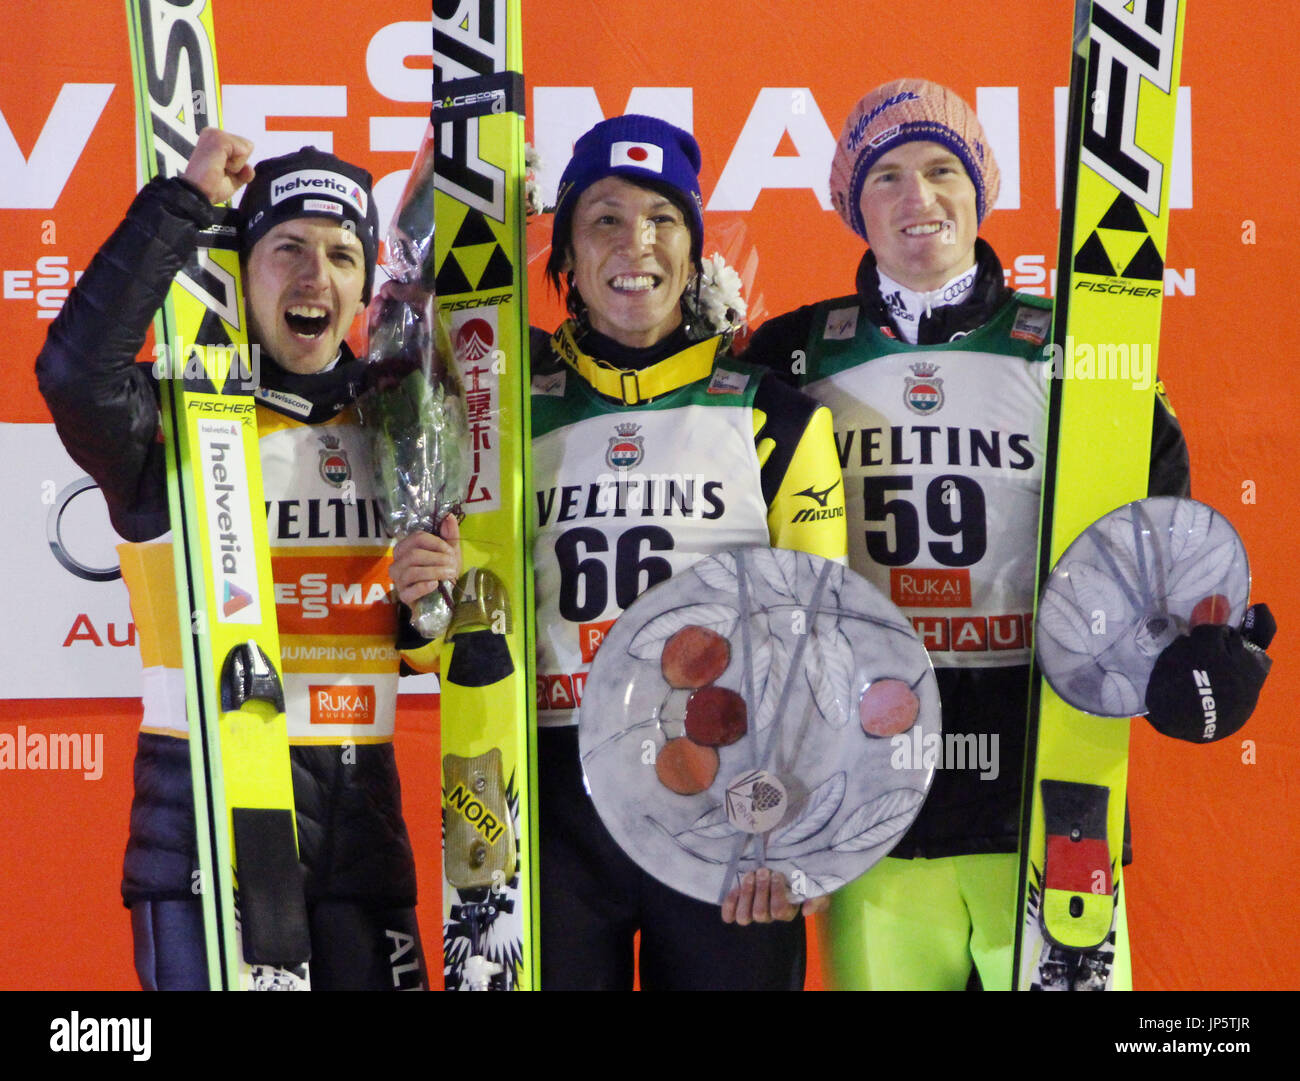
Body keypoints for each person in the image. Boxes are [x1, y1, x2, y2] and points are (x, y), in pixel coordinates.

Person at [739, 79, 1201, 990]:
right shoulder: (791, 355)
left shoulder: (1069, 349)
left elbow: (1166, 529)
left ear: (981, 188)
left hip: (1042, 793)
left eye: (943, 169)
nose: (919, 199)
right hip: (871, 807)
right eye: (889, 178)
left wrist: (1198, 636)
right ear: (851, 206)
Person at [36, 129, 460, 990]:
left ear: (361, 283)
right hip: (204, 823)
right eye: (288, 249)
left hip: (361, 823)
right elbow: (74, 376)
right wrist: (183, 208)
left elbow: (427, 650)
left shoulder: (401, 422)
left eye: (343, 254)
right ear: (241, 268)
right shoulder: (176, 420)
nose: (316, 277)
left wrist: (430, 607)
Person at [531, 114, 846, 989]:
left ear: (694, 246)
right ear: (566, 249)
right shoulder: (512, 407)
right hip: (557, 804)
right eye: (605, 217)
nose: (637, 243)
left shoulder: (772, 413)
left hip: (727, 799)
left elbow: (827, 640)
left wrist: (799, 824)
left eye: (663, 219)